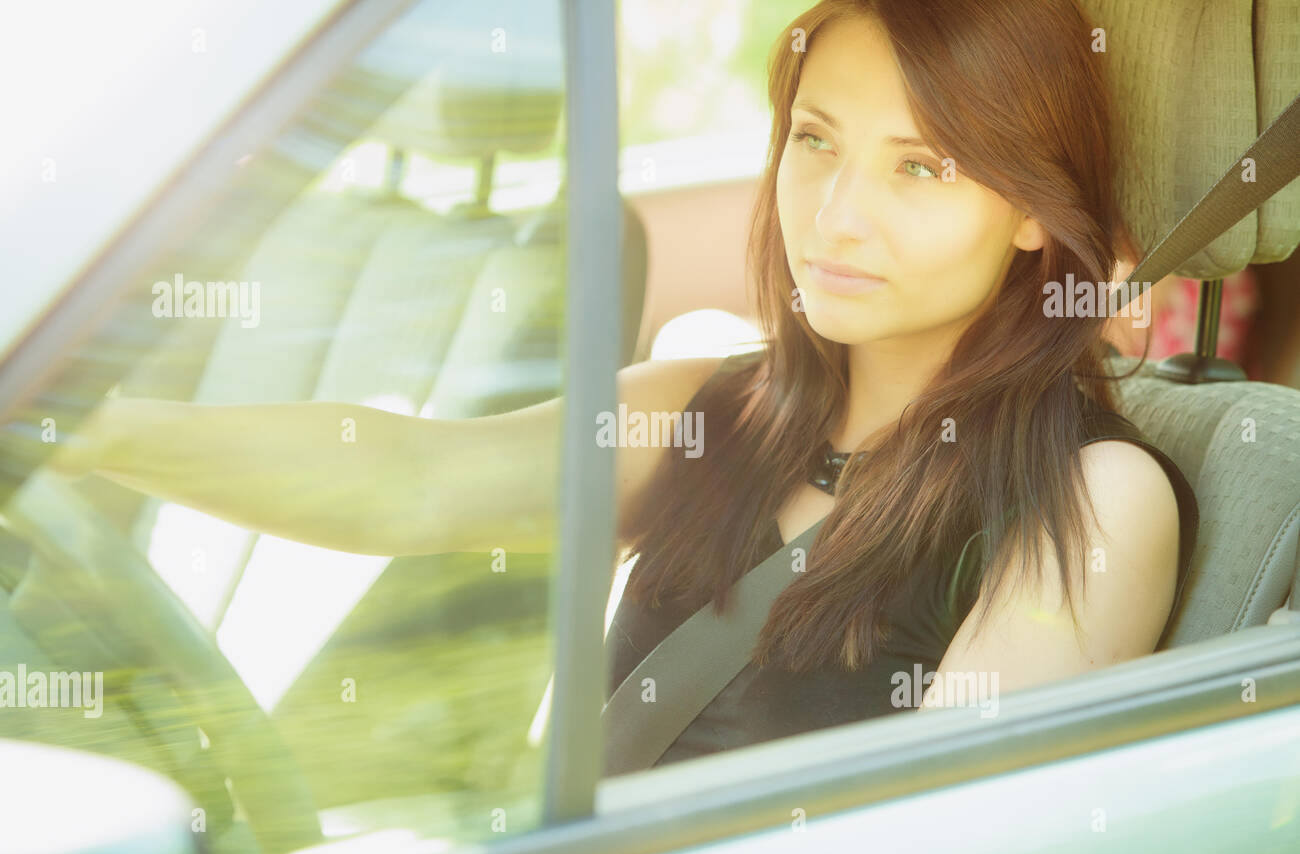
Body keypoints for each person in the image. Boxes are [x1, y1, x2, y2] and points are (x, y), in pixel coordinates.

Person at [53, 0, 1198, 775]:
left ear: (1035, 213)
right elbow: (410, 479)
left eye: (920, 166)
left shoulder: (1090, 499)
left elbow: (938, 832)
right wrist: (78, 426)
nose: (838, 214)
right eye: (814, 140)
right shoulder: (714, 408)